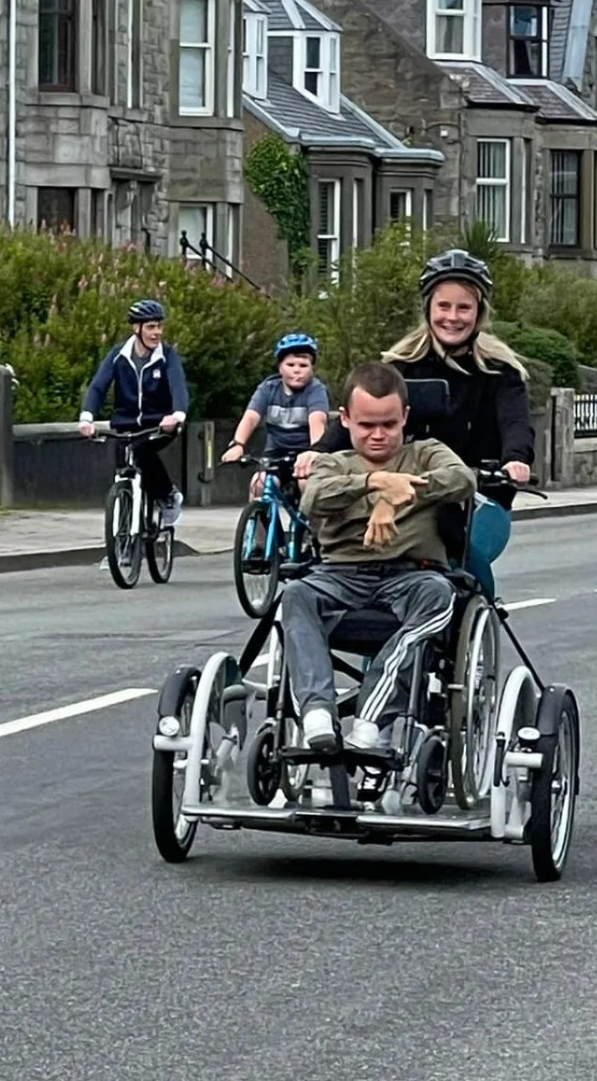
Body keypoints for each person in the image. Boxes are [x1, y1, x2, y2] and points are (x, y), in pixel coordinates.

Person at [295, 249, 534, 595]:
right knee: (360, 551)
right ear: (428, 309)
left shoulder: (500, 371)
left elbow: (515, 422)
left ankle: (477, 615)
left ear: (479, 313)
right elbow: (364, 412)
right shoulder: (402, 365)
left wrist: (515, 459)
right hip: (402, 488)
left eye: (463, 308)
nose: (452, 317)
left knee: (465, 550)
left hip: (477, 494)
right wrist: (318, 451)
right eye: (443, 306)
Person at [284, 360, 477, 755]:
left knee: (440, 597)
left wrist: (399, 492)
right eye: (366, 425)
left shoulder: (425, 454)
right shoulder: (334, 462)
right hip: (339, 576)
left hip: (413, 575)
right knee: (295, 596)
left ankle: (370, 718)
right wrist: (373, 482)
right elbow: (313, 499)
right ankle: (318, 712)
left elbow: (462, 481)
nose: (377, 435)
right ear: (347, 419)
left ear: (405, 417)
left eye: (388, 425)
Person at [78, 298, 188, 529]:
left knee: (143, 451)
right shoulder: (119, 355)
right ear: (136, 328)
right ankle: (123, 547)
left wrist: (177, 415)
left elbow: (178, 387)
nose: (156, 332)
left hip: (158, 425)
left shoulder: (167, 357)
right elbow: (98, 386)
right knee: (123, 475)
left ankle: (168, 495)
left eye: (159, 326)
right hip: (125, 425)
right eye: (150, 327)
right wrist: (87, 416)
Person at [221, 333, 331, 498]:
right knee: (258, 484)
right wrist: (238, 444)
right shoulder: (268, 388)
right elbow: (250, 417)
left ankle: (313, 523)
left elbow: (317, 420)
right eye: (290, 364)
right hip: (275, 455)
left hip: (305, 453)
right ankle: (257, 521)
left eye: (303, 365)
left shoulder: (315, 390)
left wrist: (315, 451)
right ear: (280, 367)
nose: (297, 370)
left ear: (312, 368)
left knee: (307, 484)